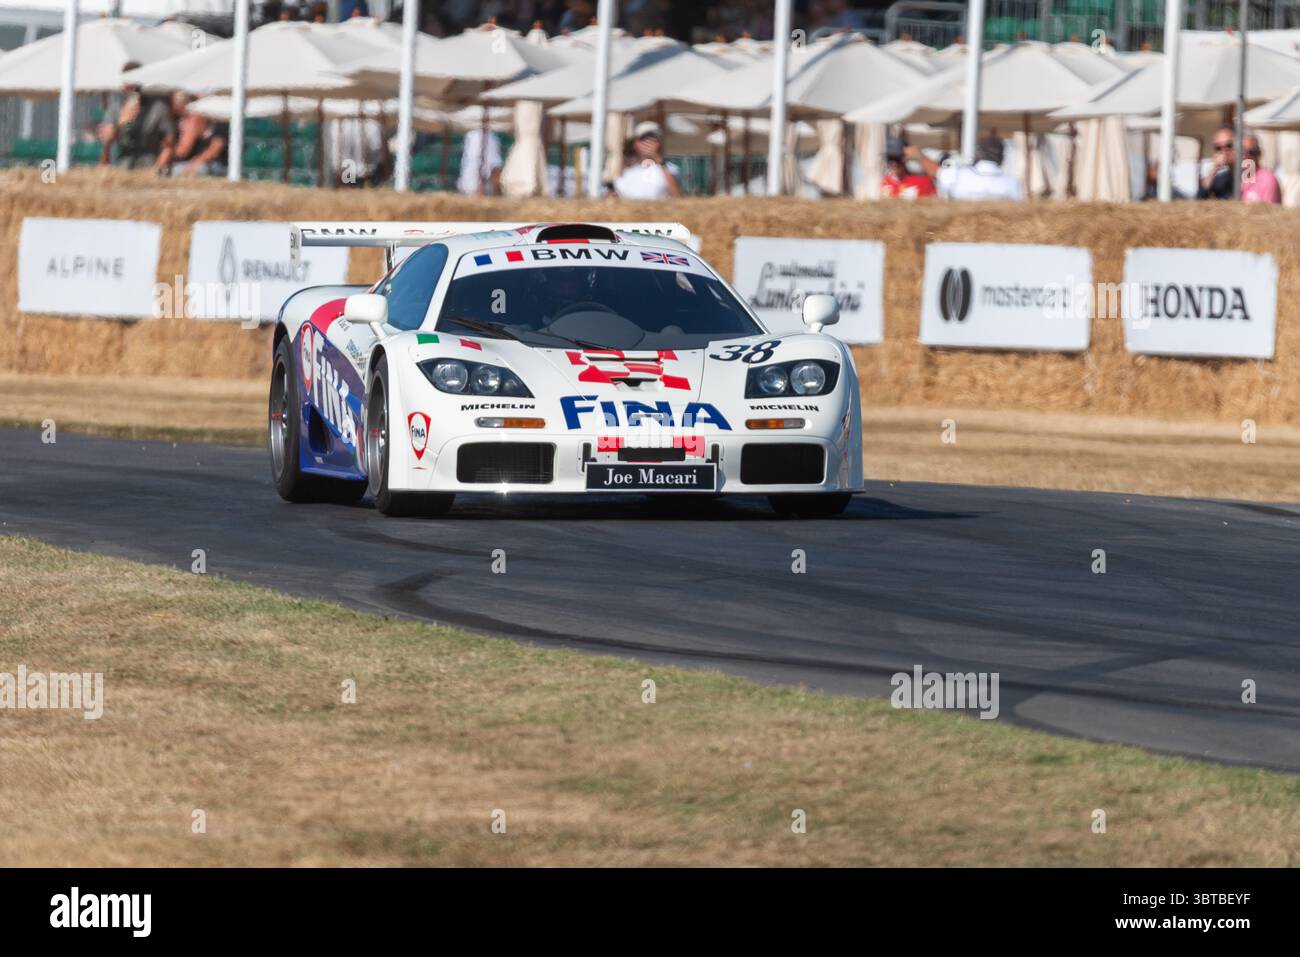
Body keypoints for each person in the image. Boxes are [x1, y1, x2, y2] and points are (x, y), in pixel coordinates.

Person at [98, 66, 177, 173]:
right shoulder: (115, 108)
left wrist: (156, 168)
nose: (131, 85)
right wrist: (120, 122)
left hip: (150, 165)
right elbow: (106, 143)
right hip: (123, 166)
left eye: (135, 81)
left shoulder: (158, 108)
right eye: (127, 81)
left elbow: (169, 144)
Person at [935, 137, 1022, 200]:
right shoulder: (1013, 182)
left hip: (960, 223)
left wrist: (920, 156)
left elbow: (937, 173)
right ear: (1002, 157)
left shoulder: (957, 174)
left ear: (978, 154)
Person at [612, 121, 681, 199]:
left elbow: (676, 194)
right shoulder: (626, 170)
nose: (648, 143)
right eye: (643, 139)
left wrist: (657, 158)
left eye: (653, 139)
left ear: (660, 144)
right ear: (636, 144)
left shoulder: (670, 168)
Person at [170, 94, 227, 177]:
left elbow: (215, 150)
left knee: (195, 170)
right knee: (176, 169)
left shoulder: (220, 124)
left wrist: (195, 162)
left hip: (217, 164)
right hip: (200, 163)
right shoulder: (191, 121)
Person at [457, 127, 503, 195]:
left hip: (472, 185)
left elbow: (496, 168)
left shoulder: (489, 137)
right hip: (471, 185)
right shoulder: (474, 136)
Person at [1241, 133, 1282, 204]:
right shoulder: (1230, 177)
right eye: (1241, 151)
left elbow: (1269, 212)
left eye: (1251, 152)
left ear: (1259, 153)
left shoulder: (1268, 180)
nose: (1245, 156)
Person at [1198, 127, 1236, 199]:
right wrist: (1214, 168)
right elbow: (1200, 199)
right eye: (1218, 148)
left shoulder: (1249, 173)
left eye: (1229, 145)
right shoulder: (1220, 180)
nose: (1224, 151)